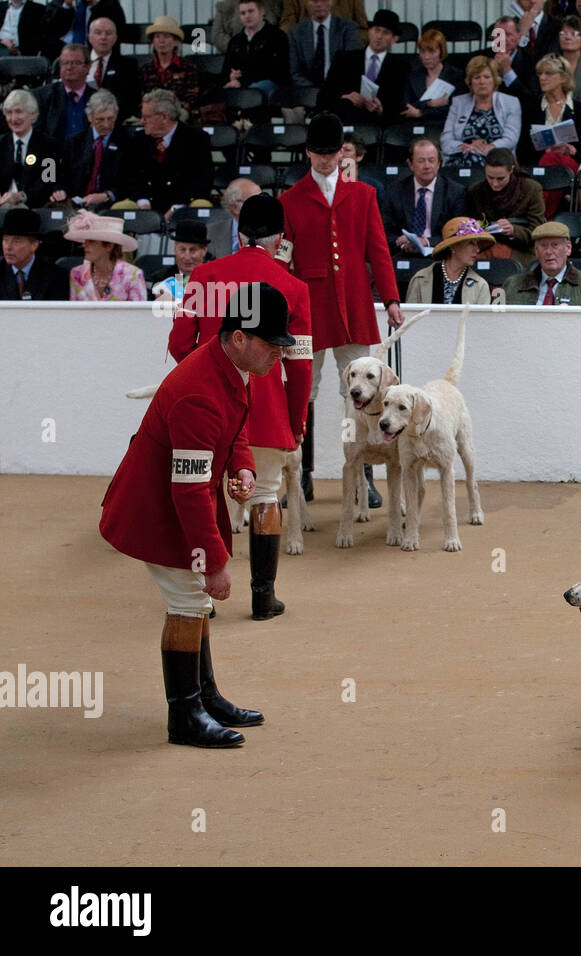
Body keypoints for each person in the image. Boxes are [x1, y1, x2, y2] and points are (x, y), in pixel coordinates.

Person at [99, 283, 294, 748]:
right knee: (190, 602)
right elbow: (186, 490)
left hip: (176, 503)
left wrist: (243, 466)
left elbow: (236, 427)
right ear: (241, 337)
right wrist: (215, 562)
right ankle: (184, 715)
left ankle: (203, 698)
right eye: (272, 345)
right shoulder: (199, 392)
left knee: (195, 603)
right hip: (159, 510)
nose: (279, 356)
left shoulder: (230, 365)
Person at [171, 198, 312, 620]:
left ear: (238, 234)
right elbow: (300, 365)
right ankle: (263, 598)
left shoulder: (203, 275)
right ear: (280, 240)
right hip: (266, 412)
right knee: (266, 496)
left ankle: (204, 596)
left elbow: (179, 345)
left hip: (207, 408)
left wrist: (202, 383)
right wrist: (296, 417)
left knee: (203, 495)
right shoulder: (295, 287)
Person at [279, 112, 402, 505]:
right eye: (318, 152)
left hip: (354, 305)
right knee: (302, 394)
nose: (325, 159)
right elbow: (284, 259)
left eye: (331, 152)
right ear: (308, 152)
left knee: (362, 392)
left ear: (341, 152)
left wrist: (392, 299)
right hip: (306, 310)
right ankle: (301, 475)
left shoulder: (363, 194)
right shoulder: (289, 200)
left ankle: (363, 474)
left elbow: (379, 252)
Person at [121, 90, 214, 217]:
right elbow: (130, 176)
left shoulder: (196, 139)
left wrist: (178, 207)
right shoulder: (139, 139)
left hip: (182, 205)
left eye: (146, 117)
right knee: (120, 207)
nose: (142, 121)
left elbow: (202, 181)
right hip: (146, 206)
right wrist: (142, 201)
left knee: (201, 206)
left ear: (164, 117)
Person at [320, 8, 407, 124]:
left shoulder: (400, 67)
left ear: (394, 39)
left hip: (379, 126)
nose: (379, 36)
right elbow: (323, 97)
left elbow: (400, 106)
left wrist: (382, 110)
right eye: (377, 30)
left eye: (385, 32)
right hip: (346, 121)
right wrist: (345, 97)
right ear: (369, 31)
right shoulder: (344, 60)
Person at [519, 53, 581, 186]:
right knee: (550, 158)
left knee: (555, 162)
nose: (542, 77)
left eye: (548, 73)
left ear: (563, 78)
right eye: (540, 73)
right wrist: (545, 150)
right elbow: (522, 150)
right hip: (538, 166)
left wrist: (572, 150)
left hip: (570, 165)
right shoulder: (530, 108)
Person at [383, 138, 466, 257]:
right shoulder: (395, 191)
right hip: (402, 253)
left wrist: (426, 242)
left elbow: (458, 232)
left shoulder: (455, 192)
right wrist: (398, 241)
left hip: (440, 253)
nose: (427, 166)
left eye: (431, 160)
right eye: (421, 161)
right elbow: (385, 230)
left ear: (439, 164)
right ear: (410, 164)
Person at [465, 148, 546, 263]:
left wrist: (513, 230)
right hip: (485, 246)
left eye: (500, 178)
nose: (494, 183)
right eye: (490, 177)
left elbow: (537, 231)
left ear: (511, 170)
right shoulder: (476, 191)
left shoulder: (531, 189)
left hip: (520, 248)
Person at [441, 56, 523, 169]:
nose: (482, 82)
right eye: (477, 77)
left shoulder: (511, 102)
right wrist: (466, 147)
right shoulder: (458, 102)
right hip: (462, 158)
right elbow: (446, 140)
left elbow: (511, 139)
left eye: (487, 77)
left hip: (498, 160)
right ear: (470, 82)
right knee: (469, 158)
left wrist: (489, 148)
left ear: (495, 80)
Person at [502, 220, 581, 305]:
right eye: (543, 246)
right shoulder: (512, 285)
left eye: (555, 245)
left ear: (568, 249)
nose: (549, 252)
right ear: (536, 251)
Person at [407, 217, 495, 305]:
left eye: (477, 244)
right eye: (471, 243)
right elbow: (410, 316)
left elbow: (481, 319)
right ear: (453, 246)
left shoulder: (480, 285)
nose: (477, 250)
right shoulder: (420, 279)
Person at [0, 89, 63, 209]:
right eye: (9, 113)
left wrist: (21, 196)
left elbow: (48, 180)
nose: (13, 119)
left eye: (19, 112)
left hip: (33, 207)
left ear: (33, 114)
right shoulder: (1, 144)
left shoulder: (48, 145)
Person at [66, 211, 146, 301]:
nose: (84, 245)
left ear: (109, 246)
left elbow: (138, 313)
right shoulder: (77, 274)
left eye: (91, 241)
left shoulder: (132, 274)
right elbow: (73, 312)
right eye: (85, 241)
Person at [222, 0, 290, 100]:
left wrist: (242, 79)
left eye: (251, 11)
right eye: (243, 13)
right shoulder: (235, 41)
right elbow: (226, 69)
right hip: (239, 84)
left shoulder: (277, 36)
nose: (247, 16)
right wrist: (231, 77)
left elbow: (277, 71)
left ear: (262, 11)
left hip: (269, 85)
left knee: (252, 93)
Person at [289, 0, 362, 91]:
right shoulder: (296, 32)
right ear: (307, 3)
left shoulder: (348, 28)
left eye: (324, 0)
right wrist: (316, 90)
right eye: (314, 1)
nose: (319, 4)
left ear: (332, 2)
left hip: (339, 91)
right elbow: (295, 73)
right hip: (307, 91)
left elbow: (352, 66)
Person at [0, 208, 68, 301]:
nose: (8, 247)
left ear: (34, 245)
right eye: (5, 240)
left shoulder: (55, 276)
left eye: (16, 241)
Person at [138, 16, 200, 118]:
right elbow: (140, 98)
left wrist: (169, 112)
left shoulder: (188, 68)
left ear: (176, 42)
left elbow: (191, 98)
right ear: (153, 41)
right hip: (151, 115)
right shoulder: (145, 70)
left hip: (178, 114)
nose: (161, 41)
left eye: (166, 36)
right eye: (157, 37)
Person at [33, 42, 91, 142]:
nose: (69, 67)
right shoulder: (42, 96)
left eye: (76, 63)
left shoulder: (97, 98)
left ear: (87, 67)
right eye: (65, 63)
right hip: (52, 154)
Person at [84, 17, 139, 118]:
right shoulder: (79, 62)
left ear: (115, 38)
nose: (103, 37)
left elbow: (130, 101)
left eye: (108, 33)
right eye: (98, 33)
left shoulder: (128, 66)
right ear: (89, 37)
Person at [153, 220, 211, 302]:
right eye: (182, 250)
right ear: (175, 248)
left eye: (193, 250)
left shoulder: (215, 279)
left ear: (204, 250)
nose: (187, 256)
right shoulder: (161, 278)